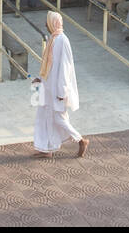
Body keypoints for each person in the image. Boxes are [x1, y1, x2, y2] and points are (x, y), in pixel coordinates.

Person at [32, 11, 88, 159]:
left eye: (47, 21)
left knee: (58, 118)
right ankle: (46, 148)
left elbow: (65, 68)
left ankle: (80, 140)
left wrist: (62, 92)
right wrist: (40, 78)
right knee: (44, 116)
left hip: (57, 89)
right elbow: (48, 64)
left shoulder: (62, 41)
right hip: (48, 87)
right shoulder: (53, 39)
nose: (45, 24)